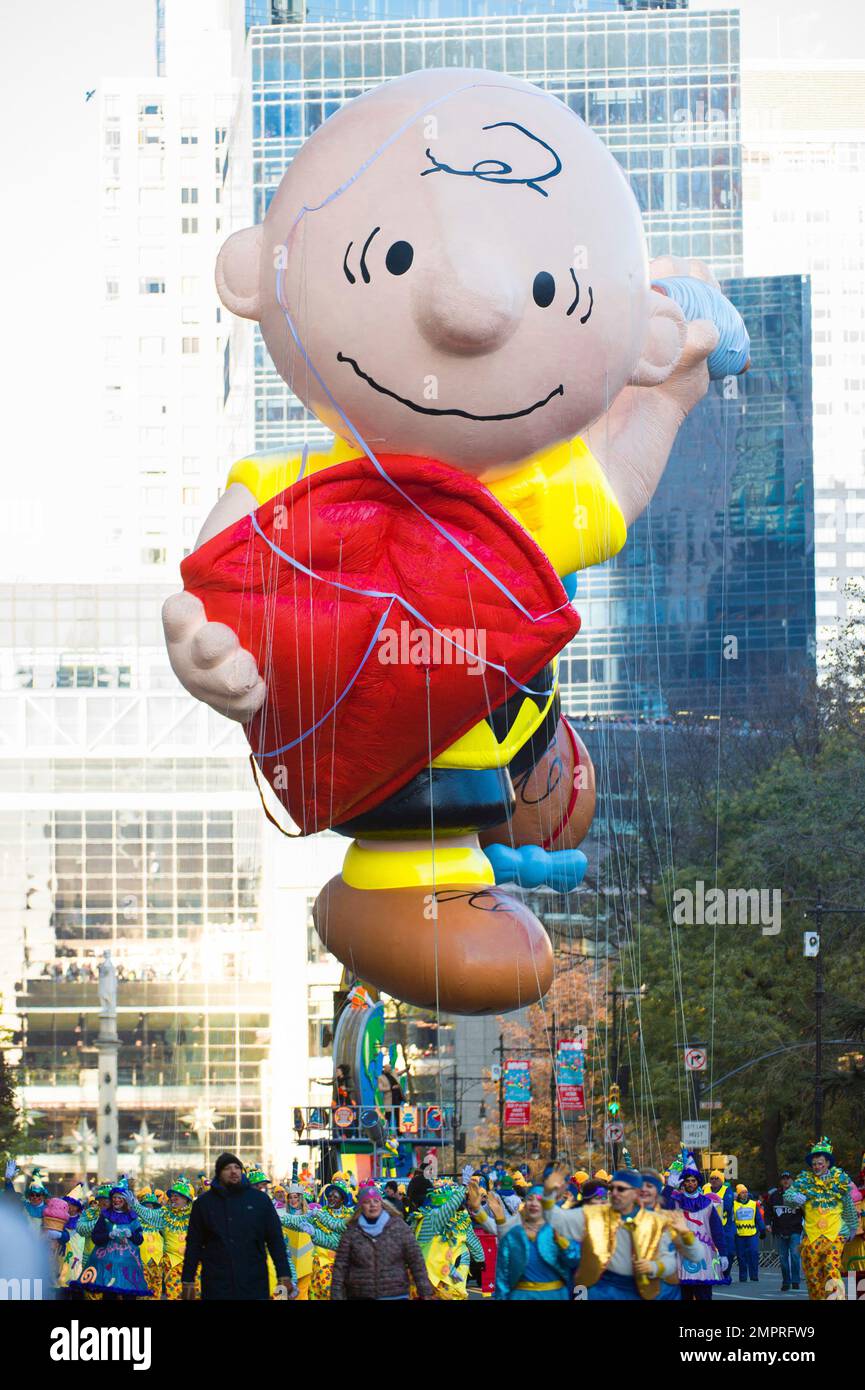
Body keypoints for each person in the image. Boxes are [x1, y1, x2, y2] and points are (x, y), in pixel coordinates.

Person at [541, 1164, 679, 1300]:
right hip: (593, 1285)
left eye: (620, 1189)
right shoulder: (585, 1217)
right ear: (587, 1201)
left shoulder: (656, 1220)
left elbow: (670, 1258)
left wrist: (654, 1267)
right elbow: (556, 1222)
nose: (612, 1195)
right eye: (611, 1190)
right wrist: (549, 1193)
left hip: (641, 1288)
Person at [180, 1152, 295, 1301]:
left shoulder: (259, 1200)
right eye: (228, 1168)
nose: (233, 1171)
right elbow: (194, 1244)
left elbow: (275, 1240)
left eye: (237, 1167)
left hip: (253, 1281)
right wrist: (188, 1279)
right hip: (217, 1282)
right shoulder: (204, 1204)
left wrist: (284, 1274)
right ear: (219, 1173)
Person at [783, 1136, 858, 1300]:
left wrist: (852, 1228)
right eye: (814, 1163)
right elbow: (787, 1196)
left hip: (835, 1234)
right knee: (813, 1275)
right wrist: (794, 1197)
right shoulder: (804, 1181)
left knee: (831, 1268)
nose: (817, 1166)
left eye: (820, 1163)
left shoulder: (839, 1180)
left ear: (828, 1163)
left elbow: (849, 1206)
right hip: (812, 1236)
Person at [330, 1182, 433, 1301]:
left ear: (381, 1203)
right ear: (360, 1206)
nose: (372, 1205)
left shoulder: (398, 1227)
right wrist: (336, 1295)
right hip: (360, 1294)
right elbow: (340, 1267)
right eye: (367, 1202)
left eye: (376, 1201)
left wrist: (425, 1291)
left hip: (395, 1294)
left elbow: (416, 1260)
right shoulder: (352, 1232)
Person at [489, 1185, 580, 1301]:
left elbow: (575, 1261)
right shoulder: (513, 1235)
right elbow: (502, 1276)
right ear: (525, 1204)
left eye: (540, 1199)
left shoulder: (558, 1230)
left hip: (554, 1295)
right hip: (522, 1296)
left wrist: (563, 1242)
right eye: (530, 1199)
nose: (534, 1203)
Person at [407, 1173, 485, 1300]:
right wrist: (463, 1188)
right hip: (434, 1280)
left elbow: (472, 1240)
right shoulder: (431, 1218)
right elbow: (448, 1210)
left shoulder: (453, 1218)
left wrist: (480, 1259)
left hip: (445, 1278)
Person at [662, 1156, 728, 1300]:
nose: (690, 1183)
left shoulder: (708, 1203)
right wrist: (669, 1187)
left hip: (704, 1254)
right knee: (683, 1294)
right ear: (683, 1183)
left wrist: (723, 1253)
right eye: (687, 1181)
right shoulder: (676, 1201)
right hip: (682, 1254)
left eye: (693, 1181)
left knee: (704, 1294)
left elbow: (717, 1231)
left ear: (698, 1182)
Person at [68, 1186, 151, 1299]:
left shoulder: (133, 1217)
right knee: (109, 1296)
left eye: (120, 1197)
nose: (116, 1200)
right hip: (107, 1266)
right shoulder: (105, 1216)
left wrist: (131, 1235)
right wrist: (109, 1235)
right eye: (114, 1197)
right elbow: (95, 1237)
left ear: (126, 1200)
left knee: (129, 1296)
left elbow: (139, 1240)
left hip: (128, 1267)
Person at [767, 1172, 803, 1292]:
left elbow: (806, 1211)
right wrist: (767, 1224)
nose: (786, 1181)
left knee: (794, 1255)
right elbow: (768, 1211)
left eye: (788, 1178)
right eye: (783, 1179)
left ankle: (796, 1280)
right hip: (780, 1230)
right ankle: (786, 1281)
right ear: (780, 1181)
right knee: (782, 1258)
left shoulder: (798, 1195)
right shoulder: (774, 1196)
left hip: (795, 1230)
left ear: (792, 1180)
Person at [278, 1184, 315, 1300]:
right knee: (282, 1295)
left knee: (302, 1295)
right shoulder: (281, 1214)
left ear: (301, 1198)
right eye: (290, 1197)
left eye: (295, 1197)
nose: (292, 1200)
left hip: (305, 1263)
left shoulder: (311, 1215)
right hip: (286, 1263)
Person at [731, 1184, 766, 1284]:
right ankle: (743, 1277)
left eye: (746, 1192)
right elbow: (732, 1220)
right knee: (741, 1256)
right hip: (739, 1235)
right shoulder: (734, 1205)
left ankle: (754, 1276)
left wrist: (762, 1229)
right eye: (742, 1192)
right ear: (738, 1194)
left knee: (753, 1254)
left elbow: (758, 1218)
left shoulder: (753, 1204)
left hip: (752, 1234)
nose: (744, 1194)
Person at [703, 1168, 735, 1266]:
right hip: (708, 1225)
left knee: (728, 1252)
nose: (714, 1180)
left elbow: (728, 1206)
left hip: (724, 1225)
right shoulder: (705, 1189)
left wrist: (713, 1204)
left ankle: (726, 1273)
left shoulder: (727, 1190)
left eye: (717, 1178)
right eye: (712, 1178)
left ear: (721, 1180)